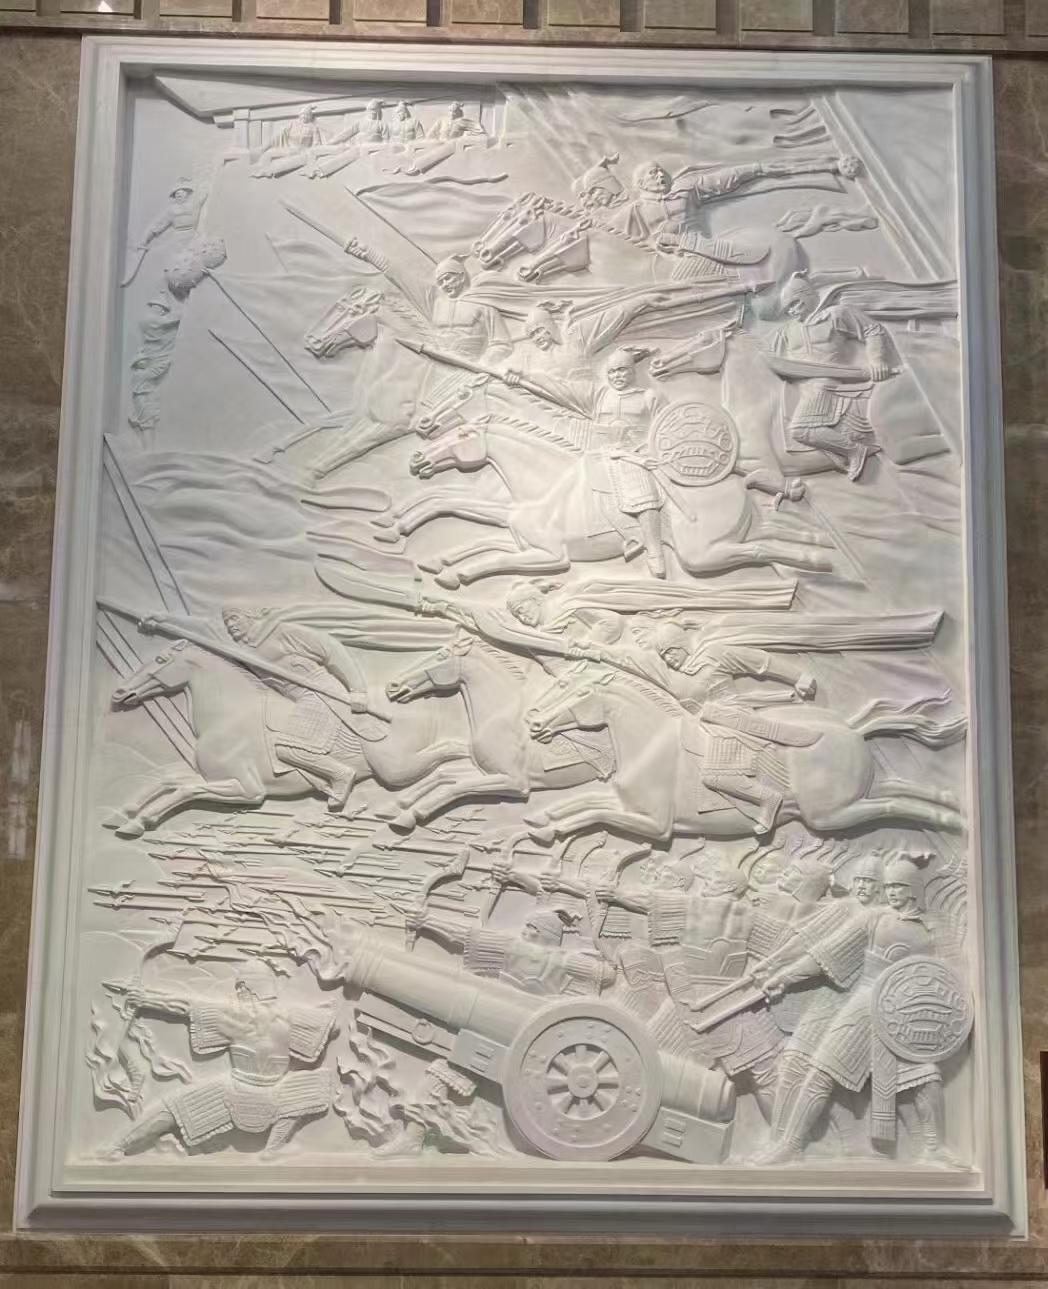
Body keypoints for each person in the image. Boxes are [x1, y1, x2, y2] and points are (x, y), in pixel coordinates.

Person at [755, 851, 961, 1163]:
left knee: (926, 1076)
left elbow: (951, 976)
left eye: (899, 886)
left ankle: (934, 1149)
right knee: (822, 1070)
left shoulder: (933, 928)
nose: (892, 892)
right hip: (864, 1004)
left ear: (914, 889)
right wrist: (785, 976)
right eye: (889, 886)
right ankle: (792, 1145)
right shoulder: (874, 918)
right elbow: (826, 954)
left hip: (907, 1012)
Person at [598, 857, 786, 1117]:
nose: (706, 880)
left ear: (730, 887)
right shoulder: (753, 918)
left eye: (715, 877)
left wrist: (614, 893)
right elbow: (788, 945)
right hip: (724, 1005)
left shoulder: (697, 906)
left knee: (636, 1058)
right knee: (765, 1076)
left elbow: (648, 900)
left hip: (695, 1006)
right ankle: (784, 1135)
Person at [140, 607, 377, 810]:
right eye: (227, 621)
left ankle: (340, 775)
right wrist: (163, 620)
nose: (230, 625)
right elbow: (204, 628)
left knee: (287, 749)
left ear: (252, 617)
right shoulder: (237, 644)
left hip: (320, 692)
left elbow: (332, 650)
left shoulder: (282, 632)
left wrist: (357, 690)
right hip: (290, 696)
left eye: (235, 618)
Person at [107, 963, 335, 1157]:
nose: (237, 991)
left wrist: (146, 999)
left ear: (251, 987)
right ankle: (274, 1147)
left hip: (237, 1092)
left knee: (171, 1108)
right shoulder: (292, 1016)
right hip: (279, 1092)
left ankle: (118, 1147)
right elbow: (333, 1028)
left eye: (240, 986)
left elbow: (185, 1006)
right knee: (310, 1086)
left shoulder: (237, 1016)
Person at [620, 154, 861, 275]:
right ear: (640, 183)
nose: (660, 175)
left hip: (702, 249)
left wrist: (755, 169)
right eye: (653, 173)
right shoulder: (634, 212)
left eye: (661, 171)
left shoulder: (685, 188)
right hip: (672, 258)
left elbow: (722, 179)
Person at [770, 271, 899, 481]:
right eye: (788, 308)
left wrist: (877, 361)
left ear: (808, 296)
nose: (792, 311)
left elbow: (872, 329)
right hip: (796, 385)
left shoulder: (836, 314)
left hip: (825, 382)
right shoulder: (785, 332)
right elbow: (772, 361)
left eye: (795, 304)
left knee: (800, 430)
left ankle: (854, 451)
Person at [406, 901, 614, 998]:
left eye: (531, 928)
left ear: (544, 934)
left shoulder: (514, 948)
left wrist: (426, 921)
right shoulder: (565, 960)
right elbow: (605, 975)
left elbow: (465, 936)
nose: (524, 931)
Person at [251, 105, 324, 178]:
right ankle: (264, 171)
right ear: (300, 115)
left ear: (310, 117)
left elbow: (316, 143)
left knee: (276, 160)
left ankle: (268, 170)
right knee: (268, 153)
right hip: (289, 149)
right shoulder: (293, 124)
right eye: (303, 114)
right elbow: (281, 134)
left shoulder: (313, 128)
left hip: (301, 151)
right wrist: (265, 146)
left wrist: (310, 153)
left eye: (307, 115)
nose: (304, 116)